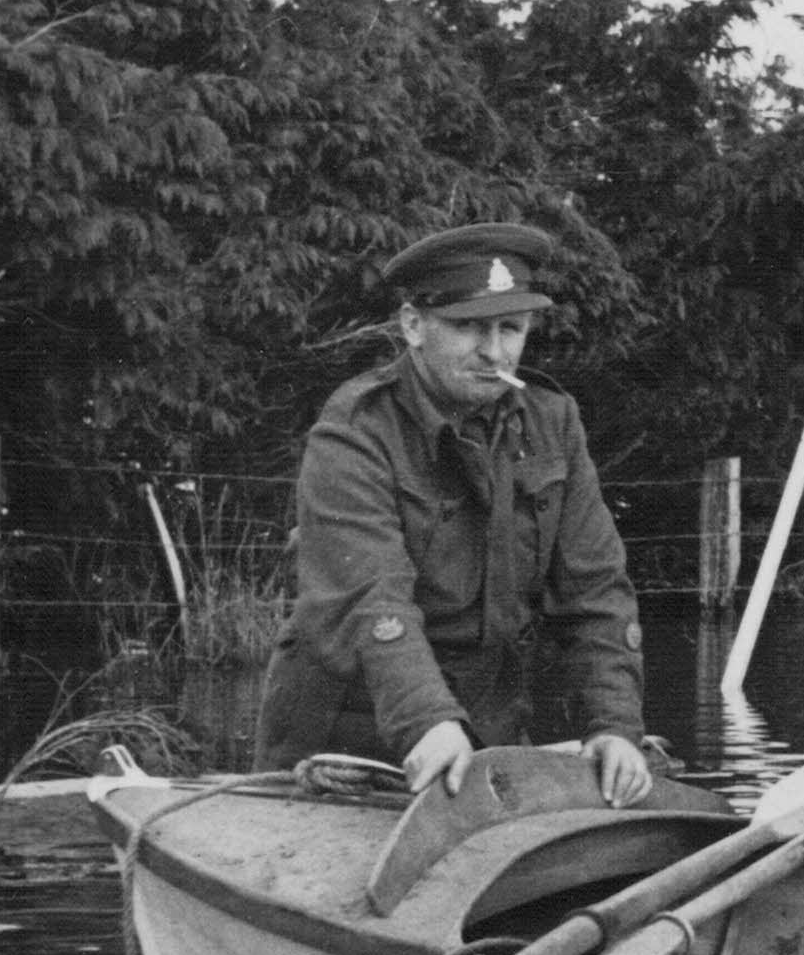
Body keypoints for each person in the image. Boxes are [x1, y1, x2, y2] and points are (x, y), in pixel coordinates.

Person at [257, 222, 657, 800]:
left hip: (485, 750)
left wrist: (615, 727)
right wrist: (427, 721)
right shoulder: (355, 431)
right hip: (343, 751)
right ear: (414, 326)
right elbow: (373, 599)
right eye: (469, 327)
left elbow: (596, 592)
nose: (494, 352)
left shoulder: (551, 423)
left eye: (510, 328)